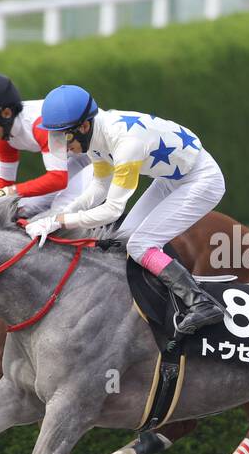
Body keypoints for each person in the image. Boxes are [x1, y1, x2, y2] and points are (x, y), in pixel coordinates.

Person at [25, 84, 227, 335]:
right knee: (123, 238)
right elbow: (98, 189)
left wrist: (61, 221)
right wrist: (53, 217)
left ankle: (201, 303)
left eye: (63, 137)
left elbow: (111, 210)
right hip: (170, 178)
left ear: (84, 127)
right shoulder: (96, 137)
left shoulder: (125, 143)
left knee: (140, 245)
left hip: (202, 180)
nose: (62, 147)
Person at [0, 72, 89, 216]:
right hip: (79, 158)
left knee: (61, 207)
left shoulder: (39, 125)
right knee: (23, 207)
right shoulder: (5, 134)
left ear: (6, 113)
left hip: (103, 155)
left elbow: (58, 179)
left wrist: (6, 193)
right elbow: (4, 182)